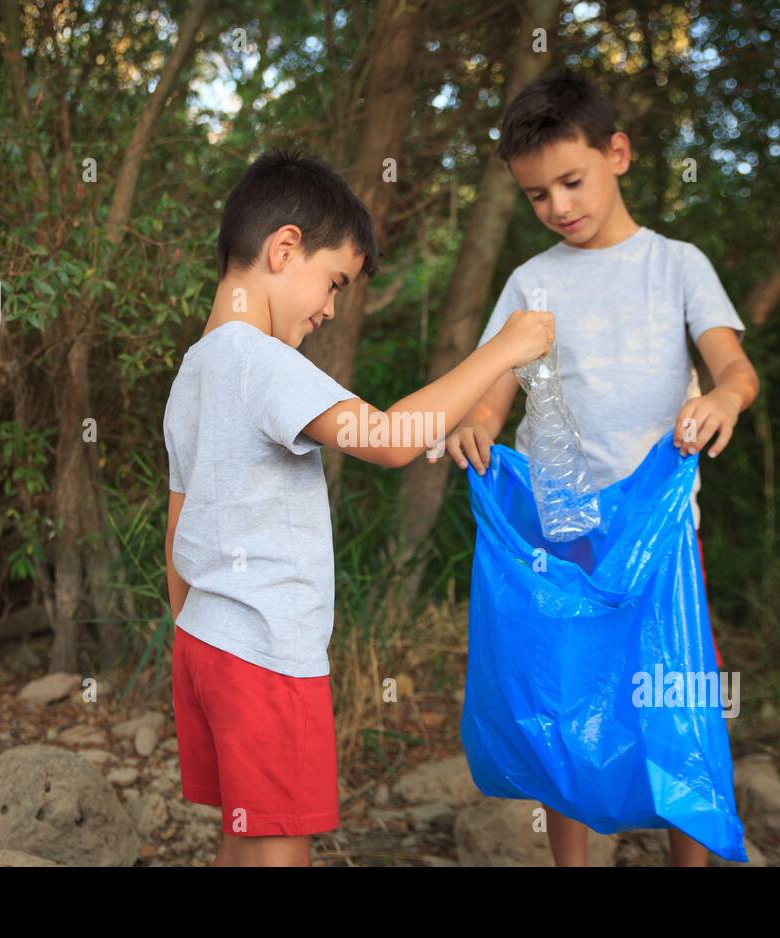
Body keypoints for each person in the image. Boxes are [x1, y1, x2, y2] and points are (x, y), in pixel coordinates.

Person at [163, 148, 554, 866]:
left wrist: (191, 634)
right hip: (265, 652)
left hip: (204, 644)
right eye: (334, 281)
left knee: (244, 839)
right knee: (282, 850)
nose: (330, 308)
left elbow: (177, 529)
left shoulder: (194, 369)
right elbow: (392, 440)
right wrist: (501, 352)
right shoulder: (263, 362)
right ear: (285, 248)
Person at [437, 68, 761, 866]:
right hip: (562, 527)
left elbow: (737, 371)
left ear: (618, 153)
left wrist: (721, 400)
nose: (559, 207)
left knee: (674, 704)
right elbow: (494, 392)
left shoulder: (677, 266)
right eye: (538, 195)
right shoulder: (533, 282)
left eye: (572, 182)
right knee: (563, 699)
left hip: (658, 537)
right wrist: (476, 428)